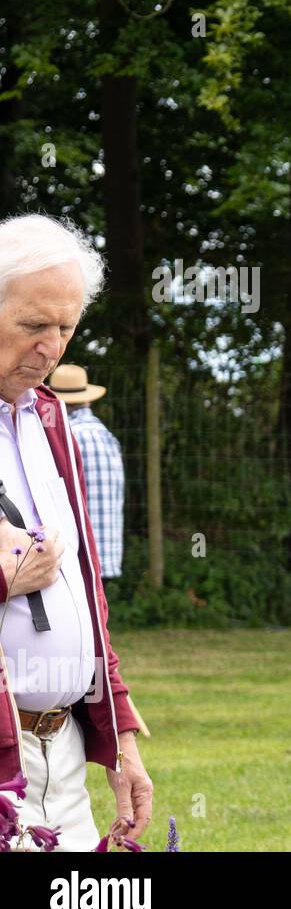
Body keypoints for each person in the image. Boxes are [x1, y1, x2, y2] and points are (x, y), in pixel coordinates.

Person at [0, 214, 152, 850]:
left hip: (60, 756)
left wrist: (118, 741)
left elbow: (87, 597)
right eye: (33, 325)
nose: (52, 347)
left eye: (66, 327)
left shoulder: (52, 419)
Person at [51, 365, 124, 580]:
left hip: (74, 555)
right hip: (106, 553)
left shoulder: (65, 436)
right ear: (88, 399)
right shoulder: (107, 436)